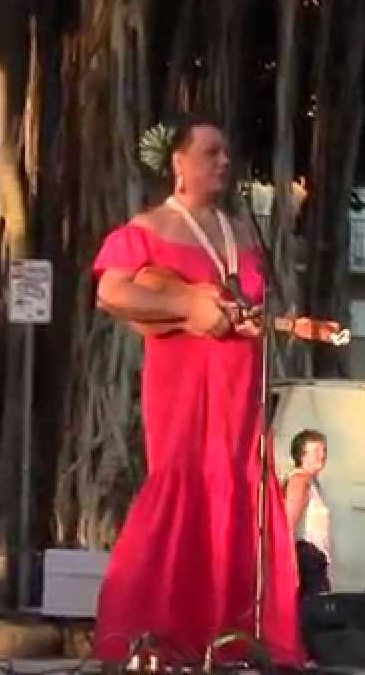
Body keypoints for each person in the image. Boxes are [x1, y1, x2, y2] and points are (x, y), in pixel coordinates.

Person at [91, 115, 305, 667]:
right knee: (184, 483)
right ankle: (158, 632)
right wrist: (186, 306)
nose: (224, 163)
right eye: (211, 153)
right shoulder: (149, 228)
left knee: (242, 487)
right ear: (178, 163)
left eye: (226, 153)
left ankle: (239, 634)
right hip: (185, 389)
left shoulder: (243, 231)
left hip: (240, 390)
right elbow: (113, 293)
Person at [284, 429, 331, 600]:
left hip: (314, 557)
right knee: (315, 613)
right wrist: (291, 566)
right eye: (316, 451)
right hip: (305, 555)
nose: (322, 455)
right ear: (302, 455)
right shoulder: (299, 480)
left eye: (324, 450)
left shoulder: (311, 482)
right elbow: (287, 524)